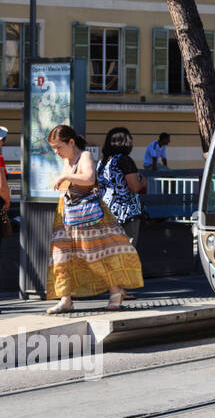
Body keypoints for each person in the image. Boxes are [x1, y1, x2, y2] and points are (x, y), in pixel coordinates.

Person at [44, 125, 143, 314]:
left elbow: (89, 178)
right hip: (68, 215)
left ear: (71, 142)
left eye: (59, 147)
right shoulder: (67, 159)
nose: (57, 152)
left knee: (100, 254)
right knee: (62, 257)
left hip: (90, 215)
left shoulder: (85, 156)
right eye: (54, 148)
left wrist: (65, 175)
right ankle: (66, 299)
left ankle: (115, 294)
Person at [97, 127, 147, 248]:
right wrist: (143, 182)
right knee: (127, 253)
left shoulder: (102, 162)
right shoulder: (124, 160)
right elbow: (134, 187)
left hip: (105, 214)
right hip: (126, 214)